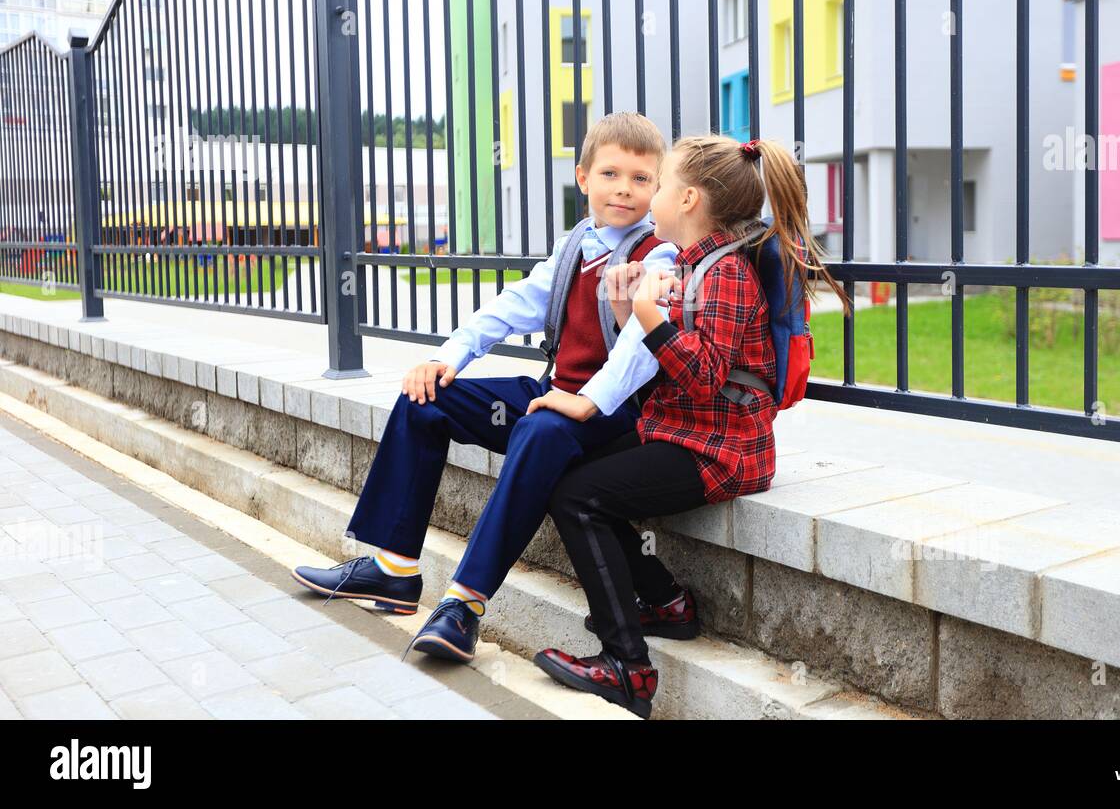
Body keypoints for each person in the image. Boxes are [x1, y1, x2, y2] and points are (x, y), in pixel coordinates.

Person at [291, 112, 679, 665]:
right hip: (552, 392)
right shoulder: (575, 246)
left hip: (610, 414)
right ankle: (395, 570)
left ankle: (463, 606)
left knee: (543, 431)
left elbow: (641, 346)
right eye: (612, 173)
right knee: (427, 396)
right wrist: (445, 357)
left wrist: (584, 401)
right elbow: (509, 307)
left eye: (642, 179)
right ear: (583, 177)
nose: (625, 188)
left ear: (658, 187)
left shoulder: (656, 255)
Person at [532, 135, 853, 718]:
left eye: (659, 182)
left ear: (686, 199)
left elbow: (704, 377)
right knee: (572, 472)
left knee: (579, 498)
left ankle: (627, 667)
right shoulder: (692, 259)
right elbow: (673, 360)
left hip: (722, 451)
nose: (646, 194)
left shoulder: (726, 270)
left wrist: (651, 317)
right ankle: (665, 603)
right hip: (684, 432)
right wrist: (633, 313)